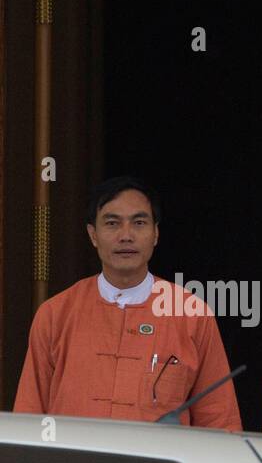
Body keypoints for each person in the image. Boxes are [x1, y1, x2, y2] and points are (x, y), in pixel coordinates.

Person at [14, 176, 241, 429]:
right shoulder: (55, 314)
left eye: (139, 223)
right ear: (93, 235)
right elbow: (29, 417)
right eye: (112, 223)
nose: (126, 236)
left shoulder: (192, 315)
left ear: (155, 233)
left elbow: (219, 420)